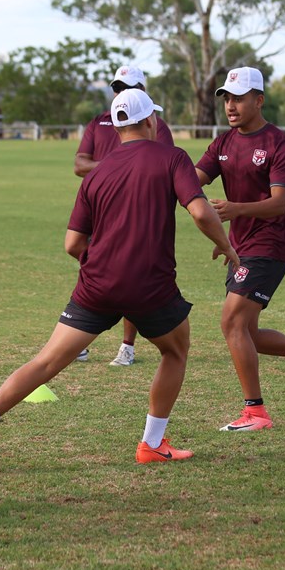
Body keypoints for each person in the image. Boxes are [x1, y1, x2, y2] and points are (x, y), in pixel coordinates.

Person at [0, 88, 237, 472]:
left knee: (47, 362)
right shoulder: (172, 158)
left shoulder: (97, 173)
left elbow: (72, 244)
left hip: (96, 284)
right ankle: (151, 443)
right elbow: (199, 212)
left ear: (115, 127)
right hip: (150, 285)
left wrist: (104, 264)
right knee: (175, 351)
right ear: (151, 121)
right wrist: (227, 247)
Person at [194, 67, 285, 433]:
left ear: (259, 100)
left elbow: (278, 204)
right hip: (240, 246)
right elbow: (192, 180)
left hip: (271, 243)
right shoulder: (224, 143)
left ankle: (255, 412)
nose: (231, 105)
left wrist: (233, 210)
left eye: (239, 98)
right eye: (227, 98)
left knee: (231, 322)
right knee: (248, 333)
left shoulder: (278, 145)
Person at [72, 65, 176, 367]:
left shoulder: (158, 126)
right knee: (94, 273)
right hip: (100, 208)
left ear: (143, 91)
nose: (121, 93)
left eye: (129, 88)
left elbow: (162, 167)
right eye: (117, 88)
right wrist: (118, 165)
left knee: (128, 276)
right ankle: (79, 338)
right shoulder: (100, 122)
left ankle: (127, 345)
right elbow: (79, 164)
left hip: (138, 213)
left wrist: (111, 166)